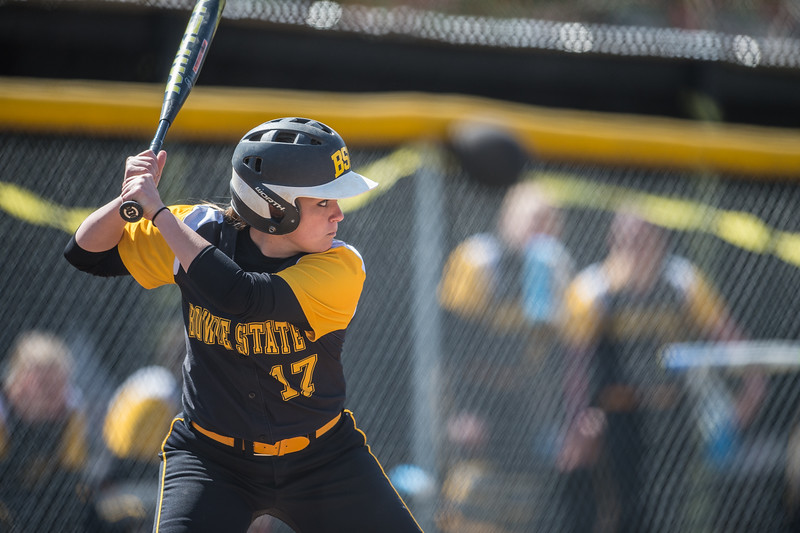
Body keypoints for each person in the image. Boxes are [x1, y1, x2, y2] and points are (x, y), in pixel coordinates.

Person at [63, 117, 423, 533]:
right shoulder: (197, 231)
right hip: (213, 459)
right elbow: (85, 252)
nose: (338, 214)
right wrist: (129, 196)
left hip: (322, 458)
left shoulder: (340, 266)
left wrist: (159, 213)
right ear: (274, 207)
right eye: (323, 202)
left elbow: (242, 297)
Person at [557, 208, 766, 533]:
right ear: (611, 241)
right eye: (627, 240)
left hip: (671, 422)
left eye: (644, 238)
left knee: (667, 514)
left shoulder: (682, 283)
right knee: (619, 515)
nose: (636, 248)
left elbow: (730, 340)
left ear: (662, 240)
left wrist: (752, 390)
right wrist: (578, 421)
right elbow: (575, 368)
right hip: (613, 422)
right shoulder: (592, 290)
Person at [436, 180, 574, 532]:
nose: (541, 230)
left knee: (523, 503)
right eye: (533, 220)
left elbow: (562, 350)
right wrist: (460, 411)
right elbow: (450, 342)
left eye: (549, 222)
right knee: (470, 499)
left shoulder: (555, 267)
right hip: (476, 395)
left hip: (525, 401)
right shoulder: (478, 260)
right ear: (508, 219)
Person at [0, 330, 91, 532]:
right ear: (18, 384)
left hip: (48, 501)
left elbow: (74, 477)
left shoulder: (71, 411)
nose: (55, 393)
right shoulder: (2, 416)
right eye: (44, 384)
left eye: (59, 384)